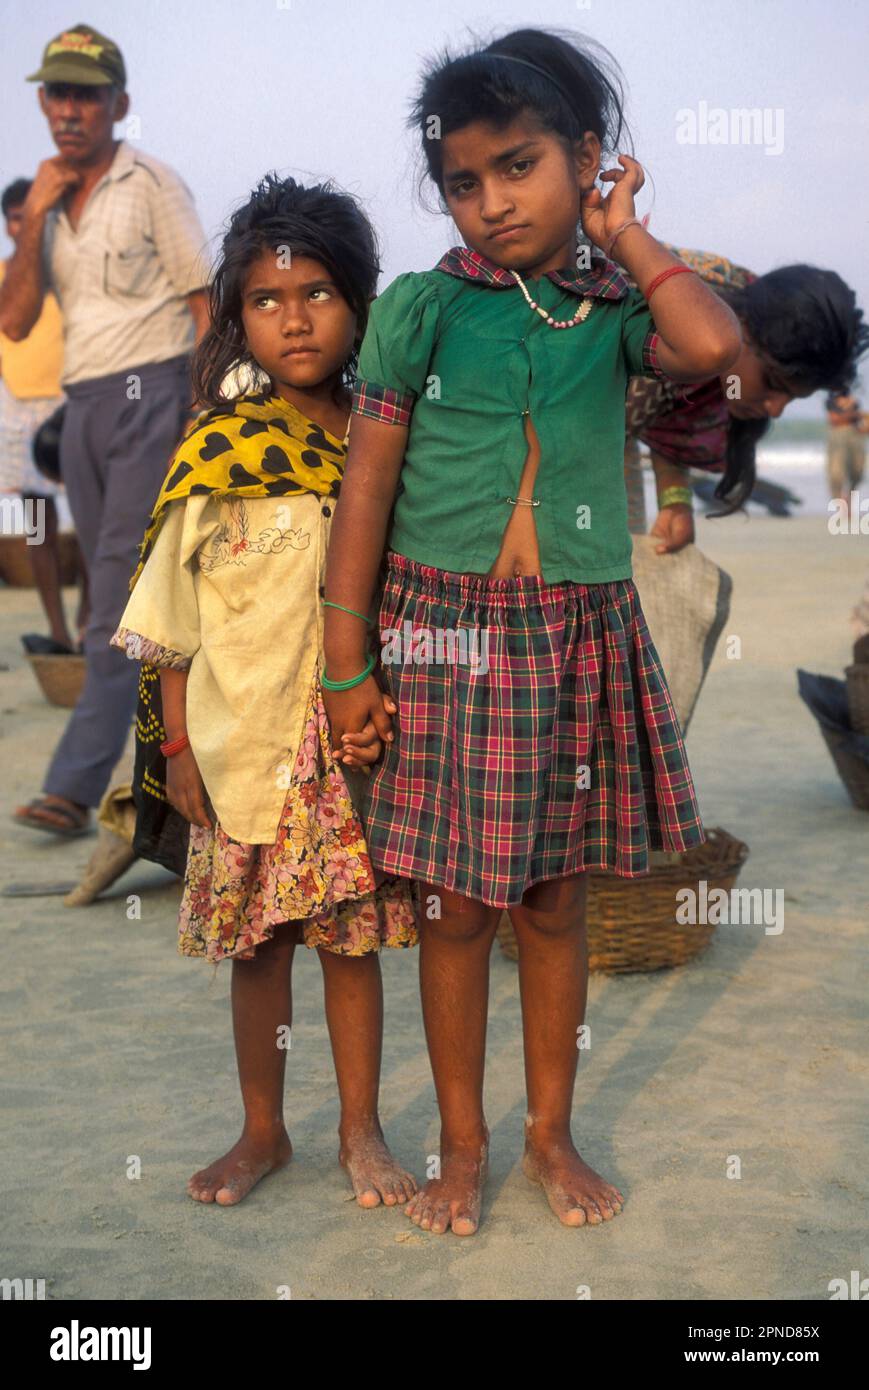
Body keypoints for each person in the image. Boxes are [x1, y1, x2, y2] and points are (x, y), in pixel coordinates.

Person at [322, 27, 742, 1236]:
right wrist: (347, 661)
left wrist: (622, 236)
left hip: (572, 633)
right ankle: (465, 1145)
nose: (492, 201)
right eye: (465, 180)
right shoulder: (420, 311)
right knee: (454, 905)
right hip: (438, 635)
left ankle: (547, 1134)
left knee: (551, 898)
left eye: (519, 167)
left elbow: (714, 349)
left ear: (585, 161)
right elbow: (365, 489)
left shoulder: (612, 314)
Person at [110, 174, 419, 1209]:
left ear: (359, 304)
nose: (295, 318)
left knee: (351, 942)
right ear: (237, 317)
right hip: (238, 744)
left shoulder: (380, 442)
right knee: (258, 946)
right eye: (267, 300)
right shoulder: (217, 448)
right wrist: (180, 754)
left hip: (350, 743)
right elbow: (169, 616)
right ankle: (261, 1129)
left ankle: (359, 1131)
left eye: (320, 293)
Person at [0, 23, 210, 837]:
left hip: (151, 395)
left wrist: (197, 414)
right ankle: (157, 791)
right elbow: (15, 322)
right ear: (44, 104)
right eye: (58, 94)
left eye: (88, 95)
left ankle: (74, 787)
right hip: (80, 407)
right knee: (109, 580)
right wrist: (35, 217)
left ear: (118, 104)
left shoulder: (151, 180)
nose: (71, 110)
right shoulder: (48, 202)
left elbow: (203, 300)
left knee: (114, 594)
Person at [623, 252, 869, 552]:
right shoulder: (670, 314)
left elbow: (672, 420)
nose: (775, 409)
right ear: (743, 328)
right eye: (772, 384)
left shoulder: (738, 348)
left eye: (790, 399)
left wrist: (674, 500)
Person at [0, 177, 82, 651]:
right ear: (11, 224)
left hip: (69, 408)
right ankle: (57, 630)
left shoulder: (70, 278)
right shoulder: (6, 279)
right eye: (16, 217)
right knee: (38, 528)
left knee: (90, 522)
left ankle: (92, 625)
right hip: (17, 415)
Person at [825, 391, 867, 516]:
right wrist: (854, 414)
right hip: (838, 435)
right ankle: (841, 505)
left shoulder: (854, 401)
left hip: (855, 436)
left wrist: (852, 413)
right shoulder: (832, 400)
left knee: (857, 472)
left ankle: (848, 498)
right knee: (836, 474)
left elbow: (863, 423)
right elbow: (834, 419)